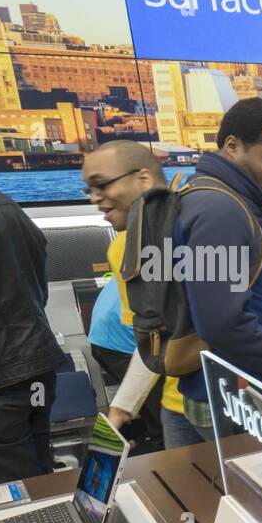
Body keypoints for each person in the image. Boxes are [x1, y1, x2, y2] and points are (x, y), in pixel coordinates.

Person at [172, 98, 262, 444]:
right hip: (246, 394)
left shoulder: (213, 199)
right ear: (232, 145)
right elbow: (222, 322)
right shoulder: (220, 211)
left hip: (239, 387)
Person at [81, 141, 167, 453]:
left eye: (101, 185)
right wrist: (118, 412)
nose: (94, 199)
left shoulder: (204, 227)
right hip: (119, 340)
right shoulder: (121, 248)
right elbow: (149, 339)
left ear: (143, 179)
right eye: (88, 189)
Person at [0, 185, 64, 484]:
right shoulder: (9, 208)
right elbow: (36, 287)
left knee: (13, 489)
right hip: (36, 367)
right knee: (39, 463)